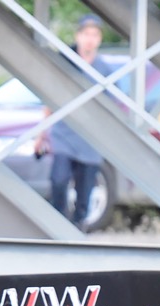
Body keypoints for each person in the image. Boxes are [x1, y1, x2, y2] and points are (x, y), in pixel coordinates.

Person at [35, 14, 115, 229]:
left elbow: (112, 108)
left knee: (85, 190)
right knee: (58, 179)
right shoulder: (65, 61)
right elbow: (50, 96)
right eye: (86, 34)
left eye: (95, 34)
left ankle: (78, 227)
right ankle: (59, 222)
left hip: (90, 139)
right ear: (78, 36)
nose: (90, 39)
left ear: (99, 39)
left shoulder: (105, 69)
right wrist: (42, 132)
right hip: (64, 133)